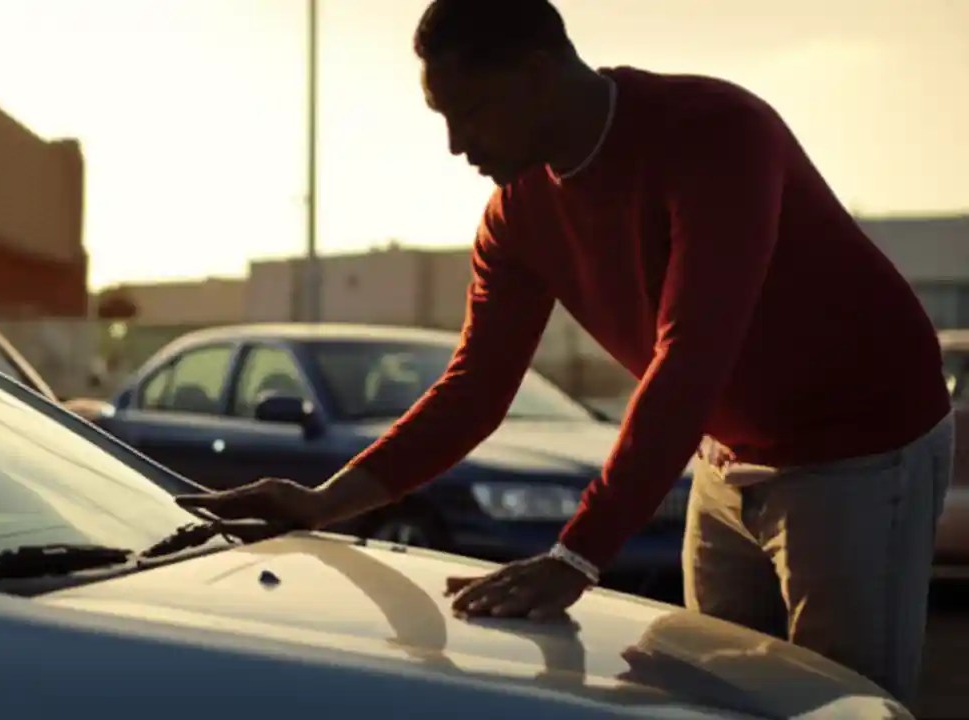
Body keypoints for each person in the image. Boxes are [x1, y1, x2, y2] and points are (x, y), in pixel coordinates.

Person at [178, 0, 953, 705]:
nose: (455, 145)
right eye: (441, 119)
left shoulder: (714, 131)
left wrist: (577, 556)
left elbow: (690, 355)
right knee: (710, 697)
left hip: (859, 447)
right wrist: (324, 501)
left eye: (470, 113)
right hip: (723, 455)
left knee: (842, 703)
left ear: (537, 74)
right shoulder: (514, 217)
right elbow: (476, 388)